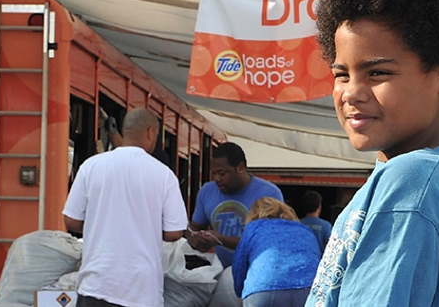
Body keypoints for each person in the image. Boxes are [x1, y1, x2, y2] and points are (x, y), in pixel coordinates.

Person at [305, 0, 439, 306]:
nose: (351, 93)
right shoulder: (429, 180)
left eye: (377, 73)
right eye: (341, 75)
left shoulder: (412, 180)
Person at [63, 107, 188, 307]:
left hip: (96, 285)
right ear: (150, 132)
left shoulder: (90, 166)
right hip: (141, 291)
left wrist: (100, 223)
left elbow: (71, 220)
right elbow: (174, 232)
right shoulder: (164, 176)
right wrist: (146, 227)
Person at [186, 142, 284, 306]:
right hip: (221, 279)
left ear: (240, 167)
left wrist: (220, 239)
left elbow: (267, 243)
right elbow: (194, 227)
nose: (217, 179)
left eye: (222, 173)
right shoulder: (207, 192)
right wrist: (193, 238)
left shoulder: (269, 194)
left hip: (257, 281)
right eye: (214, 173)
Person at [233, 197, 320, 307]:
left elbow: (239, 266)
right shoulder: (305, 230)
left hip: (264, 290)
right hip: (308, 290)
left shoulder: (253, 228)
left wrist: (240, 292)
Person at [299, 191, 332, 255]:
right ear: (319, 206)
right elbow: (330, 247)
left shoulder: (298, 224)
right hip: (319, 262)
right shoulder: (326, 226)